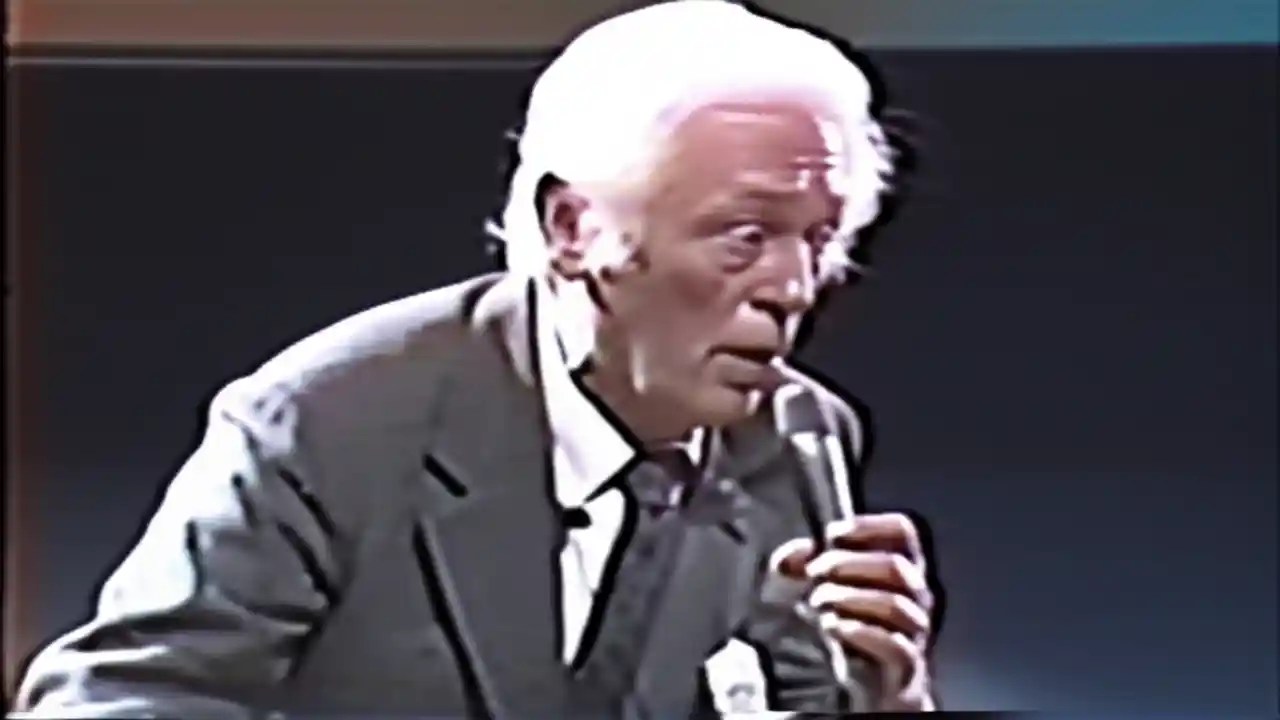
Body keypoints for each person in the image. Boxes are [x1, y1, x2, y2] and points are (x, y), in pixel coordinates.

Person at [12, 1, 938, 716]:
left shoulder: (801, 436)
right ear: (571, 227)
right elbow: (115, 700)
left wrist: (888, 697)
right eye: (745, 236)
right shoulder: (335, 424)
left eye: (819, 237)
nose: (798, 286)